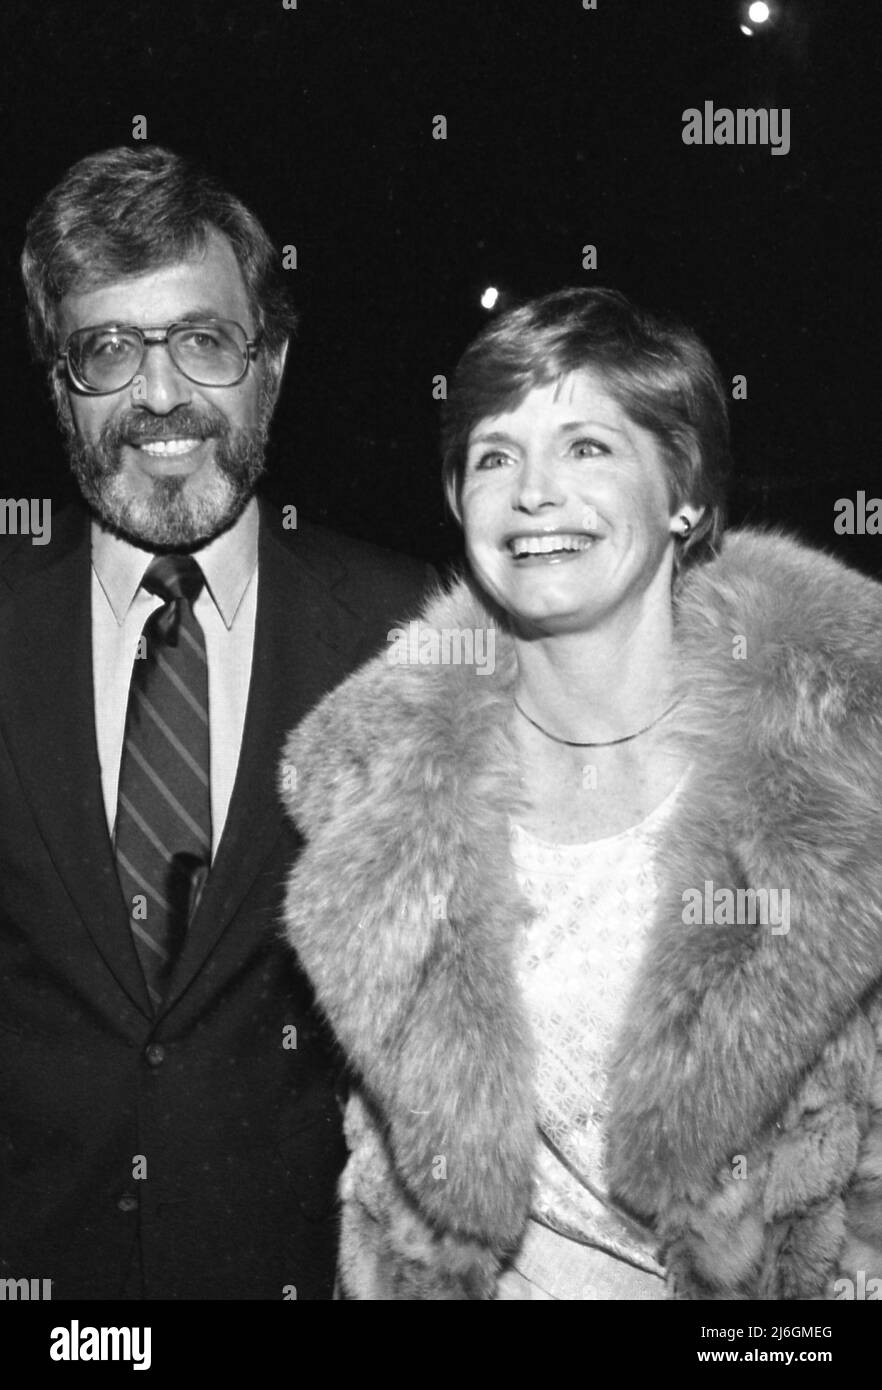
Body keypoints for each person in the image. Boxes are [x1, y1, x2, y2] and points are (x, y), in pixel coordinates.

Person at [280, 287, 882, 1299]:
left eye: (587, 448)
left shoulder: (846, 762)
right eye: (494, 456)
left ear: (683, 489)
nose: (532, 492)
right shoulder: (383, 802)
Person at [0, 145, 432, 1300]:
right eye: (105, 350)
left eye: (203, 339)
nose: (158, 396)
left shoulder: (408, 638)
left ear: (271, 366)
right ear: (59, 384)